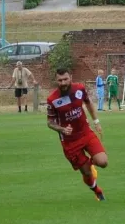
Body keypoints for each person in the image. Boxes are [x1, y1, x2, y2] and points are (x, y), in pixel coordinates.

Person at [47, 68, 107, 201]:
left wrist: (96, 121)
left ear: (71, 77)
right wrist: (61, 129)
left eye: (65, 79)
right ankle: (97, 191)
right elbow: (50, 122)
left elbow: (88, 102)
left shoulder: (79, 89)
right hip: (70, 141)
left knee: (103, 162)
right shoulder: (52, 99)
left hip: (85, 133)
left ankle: (90, 164)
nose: (63, 83)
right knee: (86, 173)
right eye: (60, 80)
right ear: (56, 80)